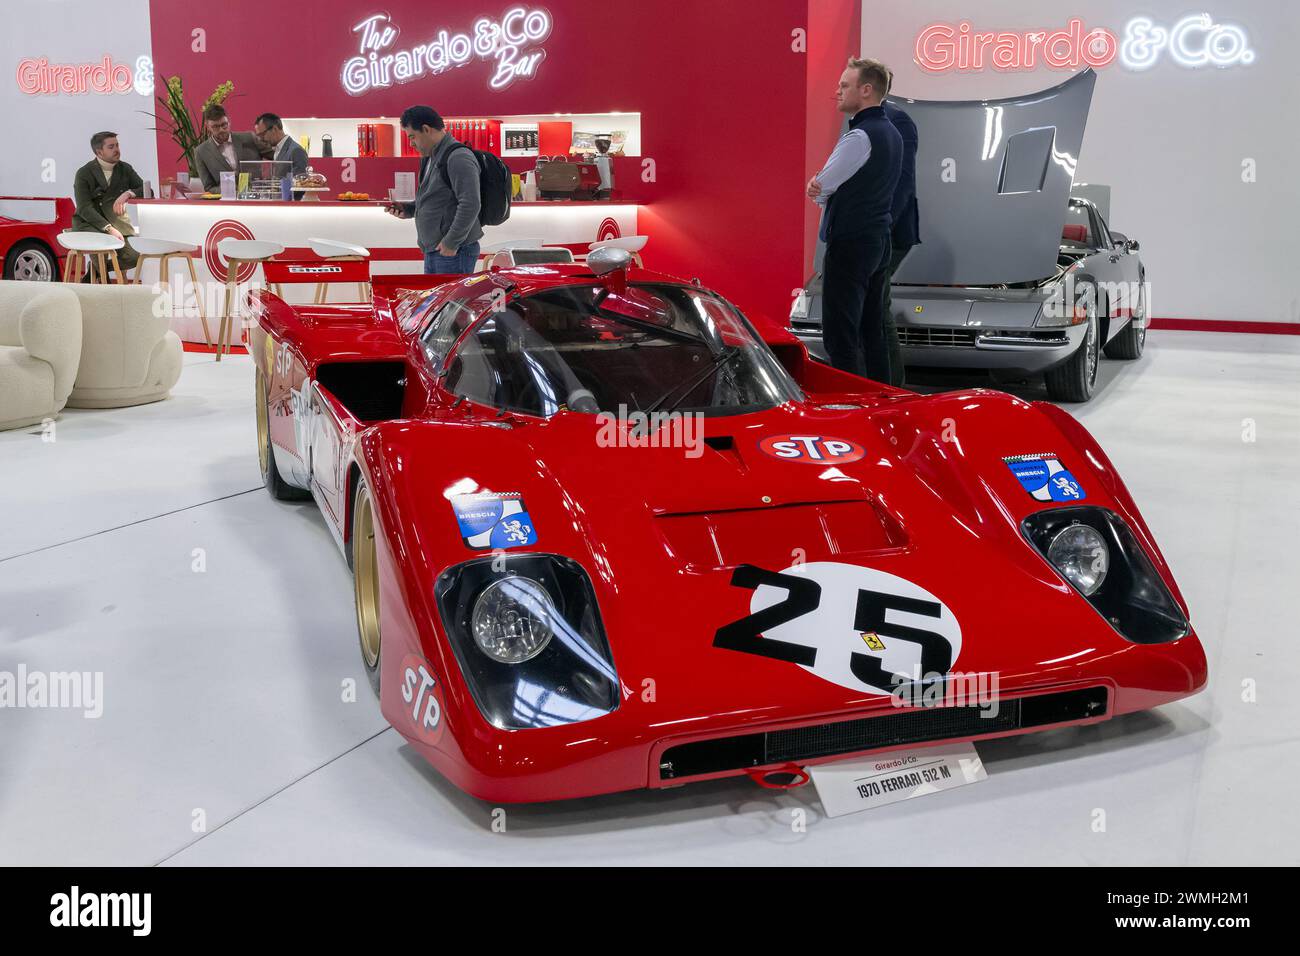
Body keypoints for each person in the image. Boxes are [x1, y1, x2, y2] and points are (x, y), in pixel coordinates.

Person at [807, 57, 901, 382]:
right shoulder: (892, 132)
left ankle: (849, 405)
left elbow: (822, 187)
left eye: (844, 86)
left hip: (850, 243)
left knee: (841, 333)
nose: (837, 91)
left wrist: (818, 187)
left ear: (865, 90)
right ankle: (882, 399)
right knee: (871, 329)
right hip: (878, 240)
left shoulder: (859, 136)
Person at [384, 105, 482, 274]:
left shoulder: (458, 157)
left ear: (426, 129)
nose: (411, 143)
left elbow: (470, 203)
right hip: (435, 249)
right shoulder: (430, 157)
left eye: (412, 136)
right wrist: (408, 209)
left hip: (453, 252)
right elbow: (436, 199)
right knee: (434, 300)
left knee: (451, 301)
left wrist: (451, 242)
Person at [880, 75, 920, 388]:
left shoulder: (898, 121)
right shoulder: (857, 124)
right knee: (872, 307)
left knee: (877, 306)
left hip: (888, 233)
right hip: (869, 231)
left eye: (846, 83)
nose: (838, 90)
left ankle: (892, 387)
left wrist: (883, 224)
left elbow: (903, 182)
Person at [71, 131, 144, 274]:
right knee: (101, 251)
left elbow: (145, 189)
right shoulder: (84, 173)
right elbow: (84, 208)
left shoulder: (125, 168)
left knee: (135, 257)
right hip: (91, 224)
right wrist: (108, 228)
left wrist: (128, 193)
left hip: (118, 223)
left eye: (117, 145)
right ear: (99, 152)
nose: (117, 149)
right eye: (111, 147)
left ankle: (95, 272)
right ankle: (103, 282)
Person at [193, 105, 265, 191]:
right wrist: (229, 189)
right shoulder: (201, 152)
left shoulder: (249, 138)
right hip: (226, 202)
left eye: (224, 125)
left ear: (229, 121)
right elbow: (209, 187)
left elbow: (276, 155)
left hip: (256, 197)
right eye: (215, 127)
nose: (221, 130)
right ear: (208, 127)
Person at [253, 112, 309, 179]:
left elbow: (300, 185)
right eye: (258, 136)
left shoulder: (296, 151)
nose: (261, 139)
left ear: (274, 129)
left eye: (262, 134)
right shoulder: (277, 150)